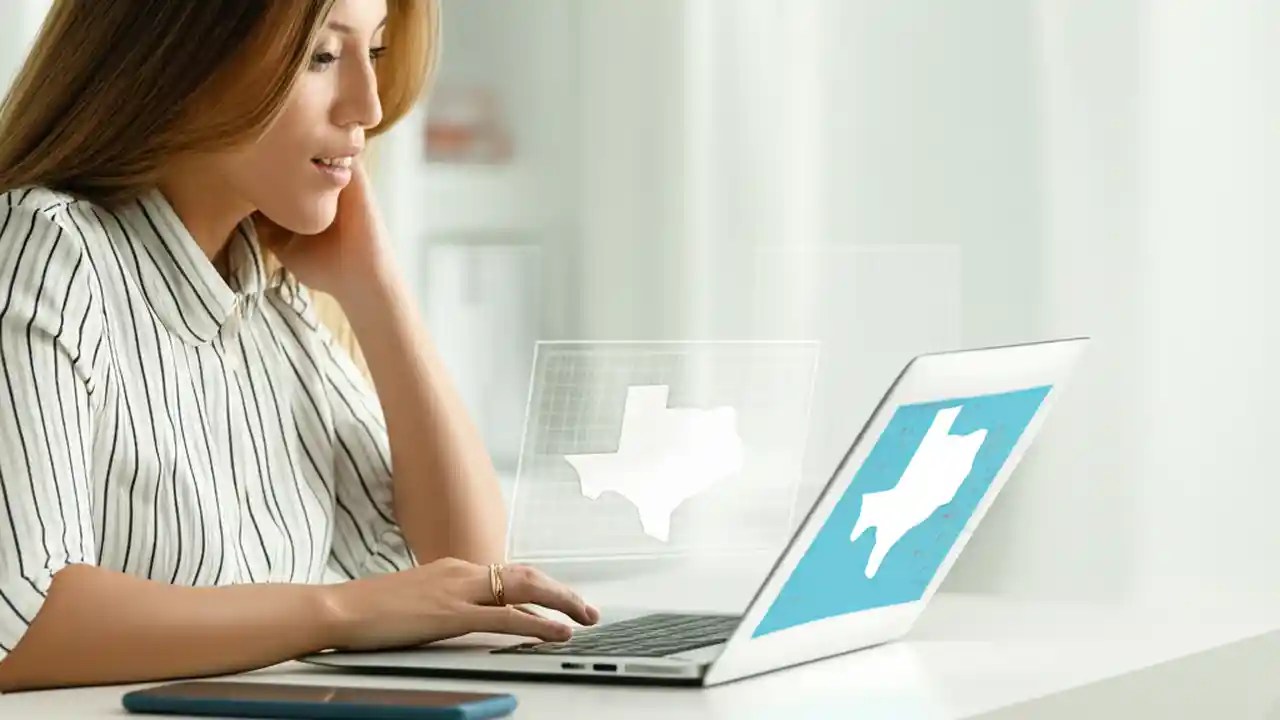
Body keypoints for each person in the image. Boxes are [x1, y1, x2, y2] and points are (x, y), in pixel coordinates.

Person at [0, 0, 598, 692]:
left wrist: (375, 289)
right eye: (321, 56)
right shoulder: (45, 250)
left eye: (372, 52)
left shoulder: (267, 295)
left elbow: (463, 573)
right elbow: (20, 619)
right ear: (181, 58)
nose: (368, 107)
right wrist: (338, 612)